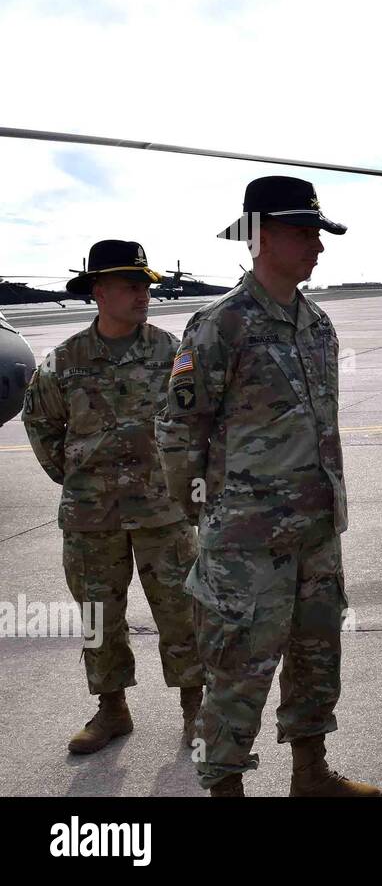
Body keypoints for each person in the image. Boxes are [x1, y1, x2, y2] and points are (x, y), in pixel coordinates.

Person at [156, 176, 380, 797]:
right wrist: (210, 515)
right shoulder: (219, 325)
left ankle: (310, 773)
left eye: (318, 233)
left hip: (315, 532)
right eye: (305, 233)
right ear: (262, 239)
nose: (318, 247)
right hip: (246, 543)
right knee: (237, 671)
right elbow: (178, 432)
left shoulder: (317, 325)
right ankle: (225, 786)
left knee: (316, 659)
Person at [23, 240, 202, 754]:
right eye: (131, 285)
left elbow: (198, 420)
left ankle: (195, 706)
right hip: (90, 516)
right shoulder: (66, 360)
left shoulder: (171, 352)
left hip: (161, 511)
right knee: (99, 616)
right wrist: (78, 476)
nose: (144, 293)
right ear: (100, 291)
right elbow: (40, 421)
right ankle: (111, 709)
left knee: (181, 610)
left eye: (146, 285)